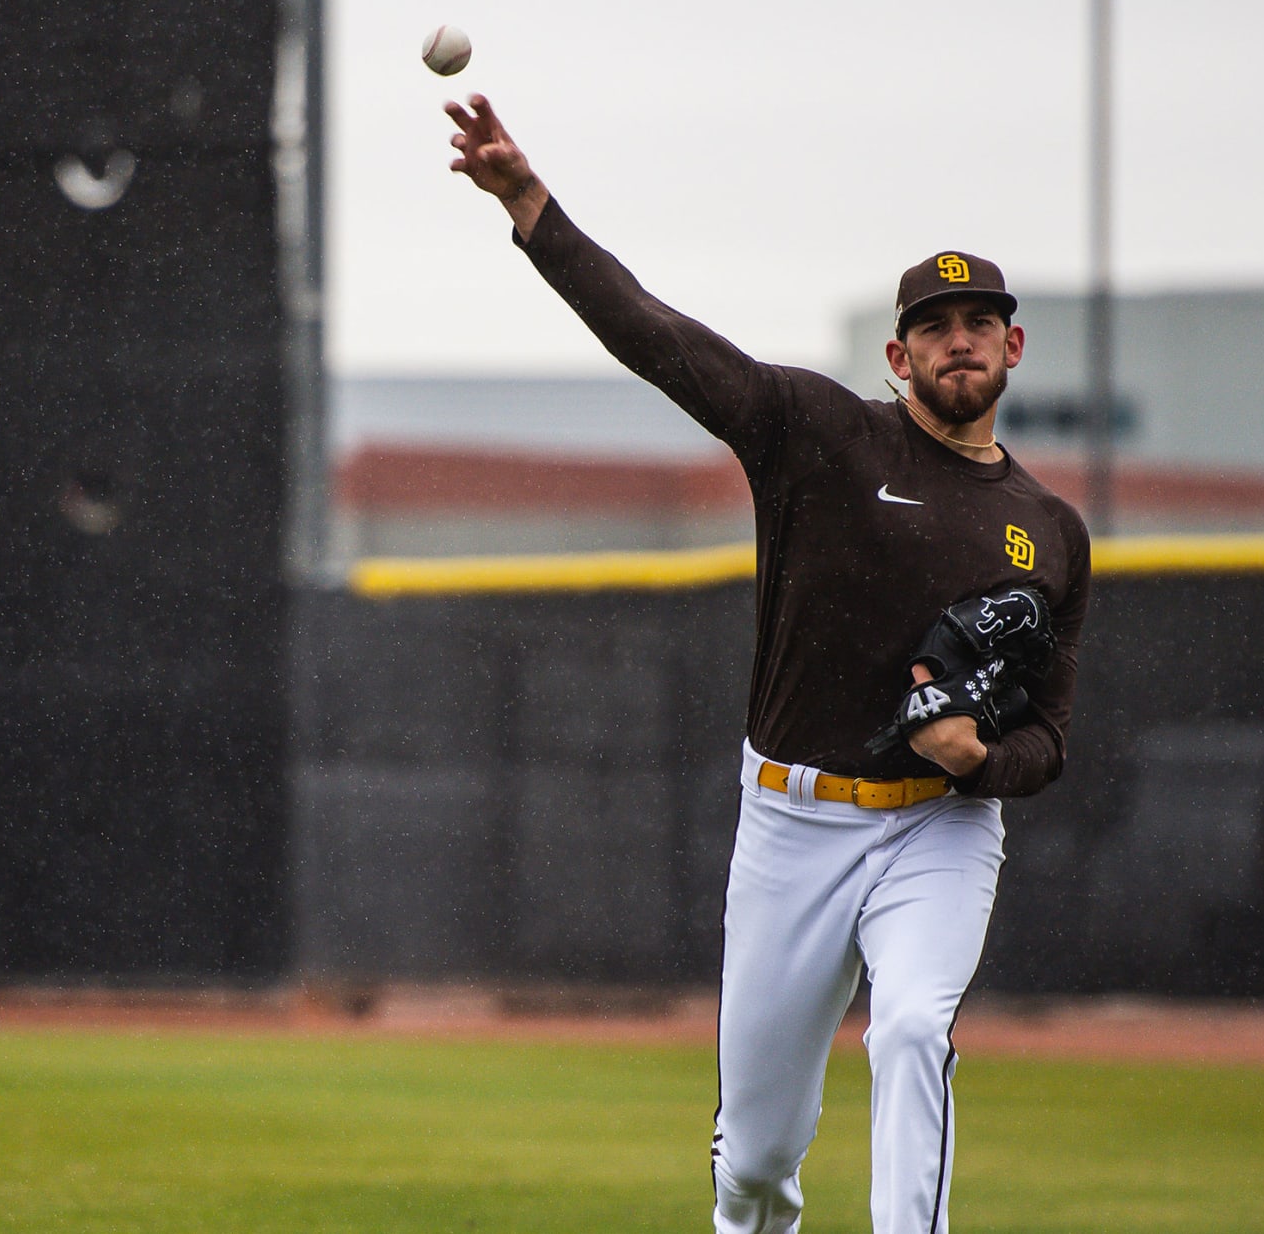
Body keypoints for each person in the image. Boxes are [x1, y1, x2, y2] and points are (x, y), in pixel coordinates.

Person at [443, 93, 1091, 1234]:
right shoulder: (818, 434)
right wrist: (530, 206)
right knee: (754, 1164)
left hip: (939, 829)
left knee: (908, 1032)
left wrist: (981, 758)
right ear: (898, 354)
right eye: (936, 325)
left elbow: (1049, 737)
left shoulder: (1051, 530)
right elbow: (656, 336)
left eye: (979, 321)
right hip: (793, 826)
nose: (959, 339)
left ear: (1013, 346)